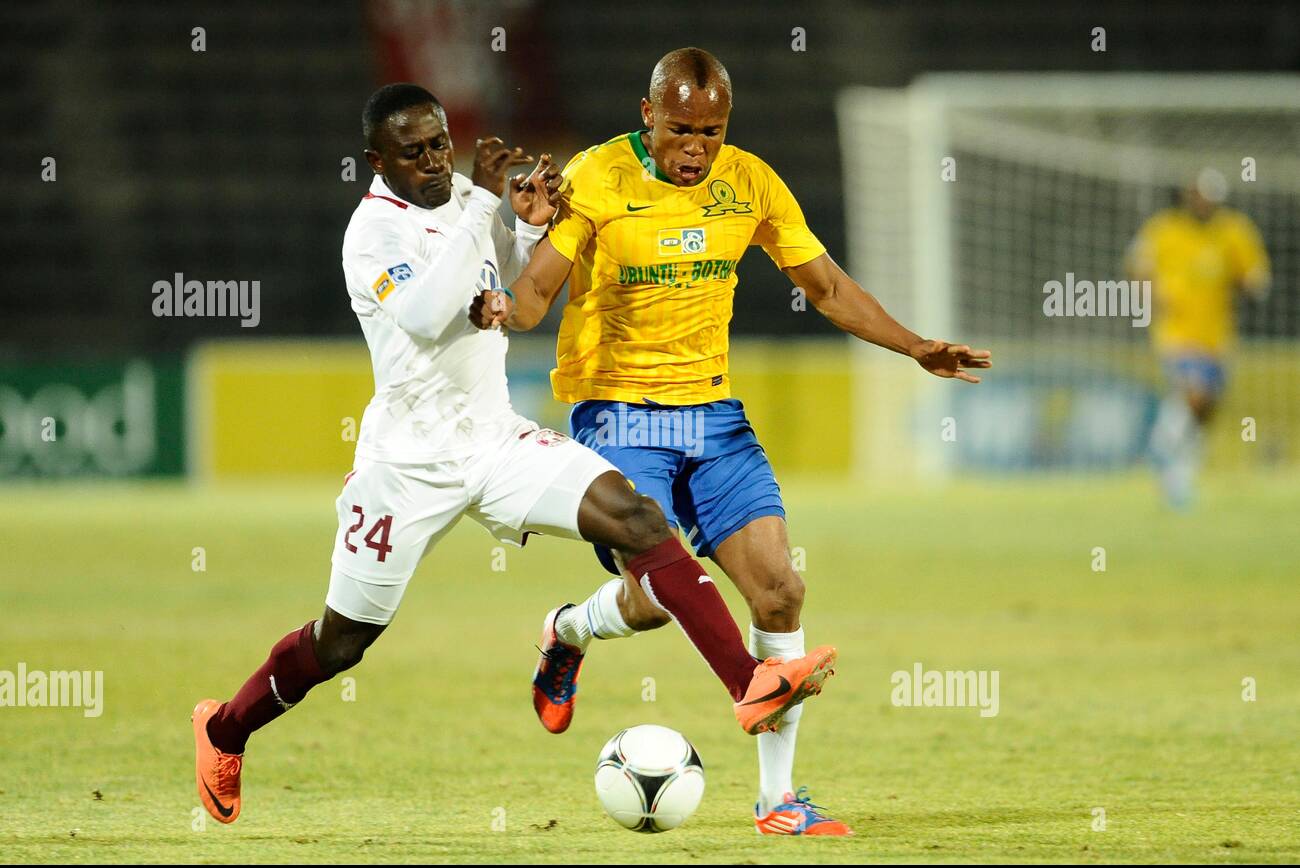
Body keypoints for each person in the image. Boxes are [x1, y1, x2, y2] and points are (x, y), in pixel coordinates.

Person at [192, 83, 834, 825]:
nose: (434, 160)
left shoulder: (469, 199)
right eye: (413, 151)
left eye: (440, 143)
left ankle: (748, 683)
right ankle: (224, 730)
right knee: (343, 642)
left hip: (496, 440)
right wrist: (483, 209)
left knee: (638, 520)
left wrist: (526, 228)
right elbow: (427, 316)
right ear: (378, 161)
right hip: (407, 467)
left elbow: (502, 290)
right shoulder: (372, 233)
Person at [471, 49, 991, 836]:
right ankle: (570, 631)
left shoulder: (750, 182)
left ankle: (778, 801)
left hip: (711, 414)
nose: (695, 148)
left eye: (710, 132)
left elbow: (827, 288)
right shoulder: (597, 176)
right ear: (647, 115)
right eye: (680, 130)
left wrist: (916, 345)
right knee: (657, 598)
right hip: (618, 412)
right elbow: (538, 293)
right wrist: (499, 301)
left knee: (780, 590)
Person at [1128, 168, 1270, 507]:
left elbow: (1256, 278)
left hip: (1217, 336)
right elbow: (1137, 266)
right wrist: (1149, 295)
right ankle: (1161, 445)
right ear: (1188, 195)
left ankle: (1177, 480)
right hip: (1176, 331)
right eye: (1198, 195)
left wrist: (1246, 283)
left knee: (1203, 412)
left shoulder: (1234, 231)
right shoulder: (1164, 229)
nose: (1203, 202)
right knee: (1194, 392)